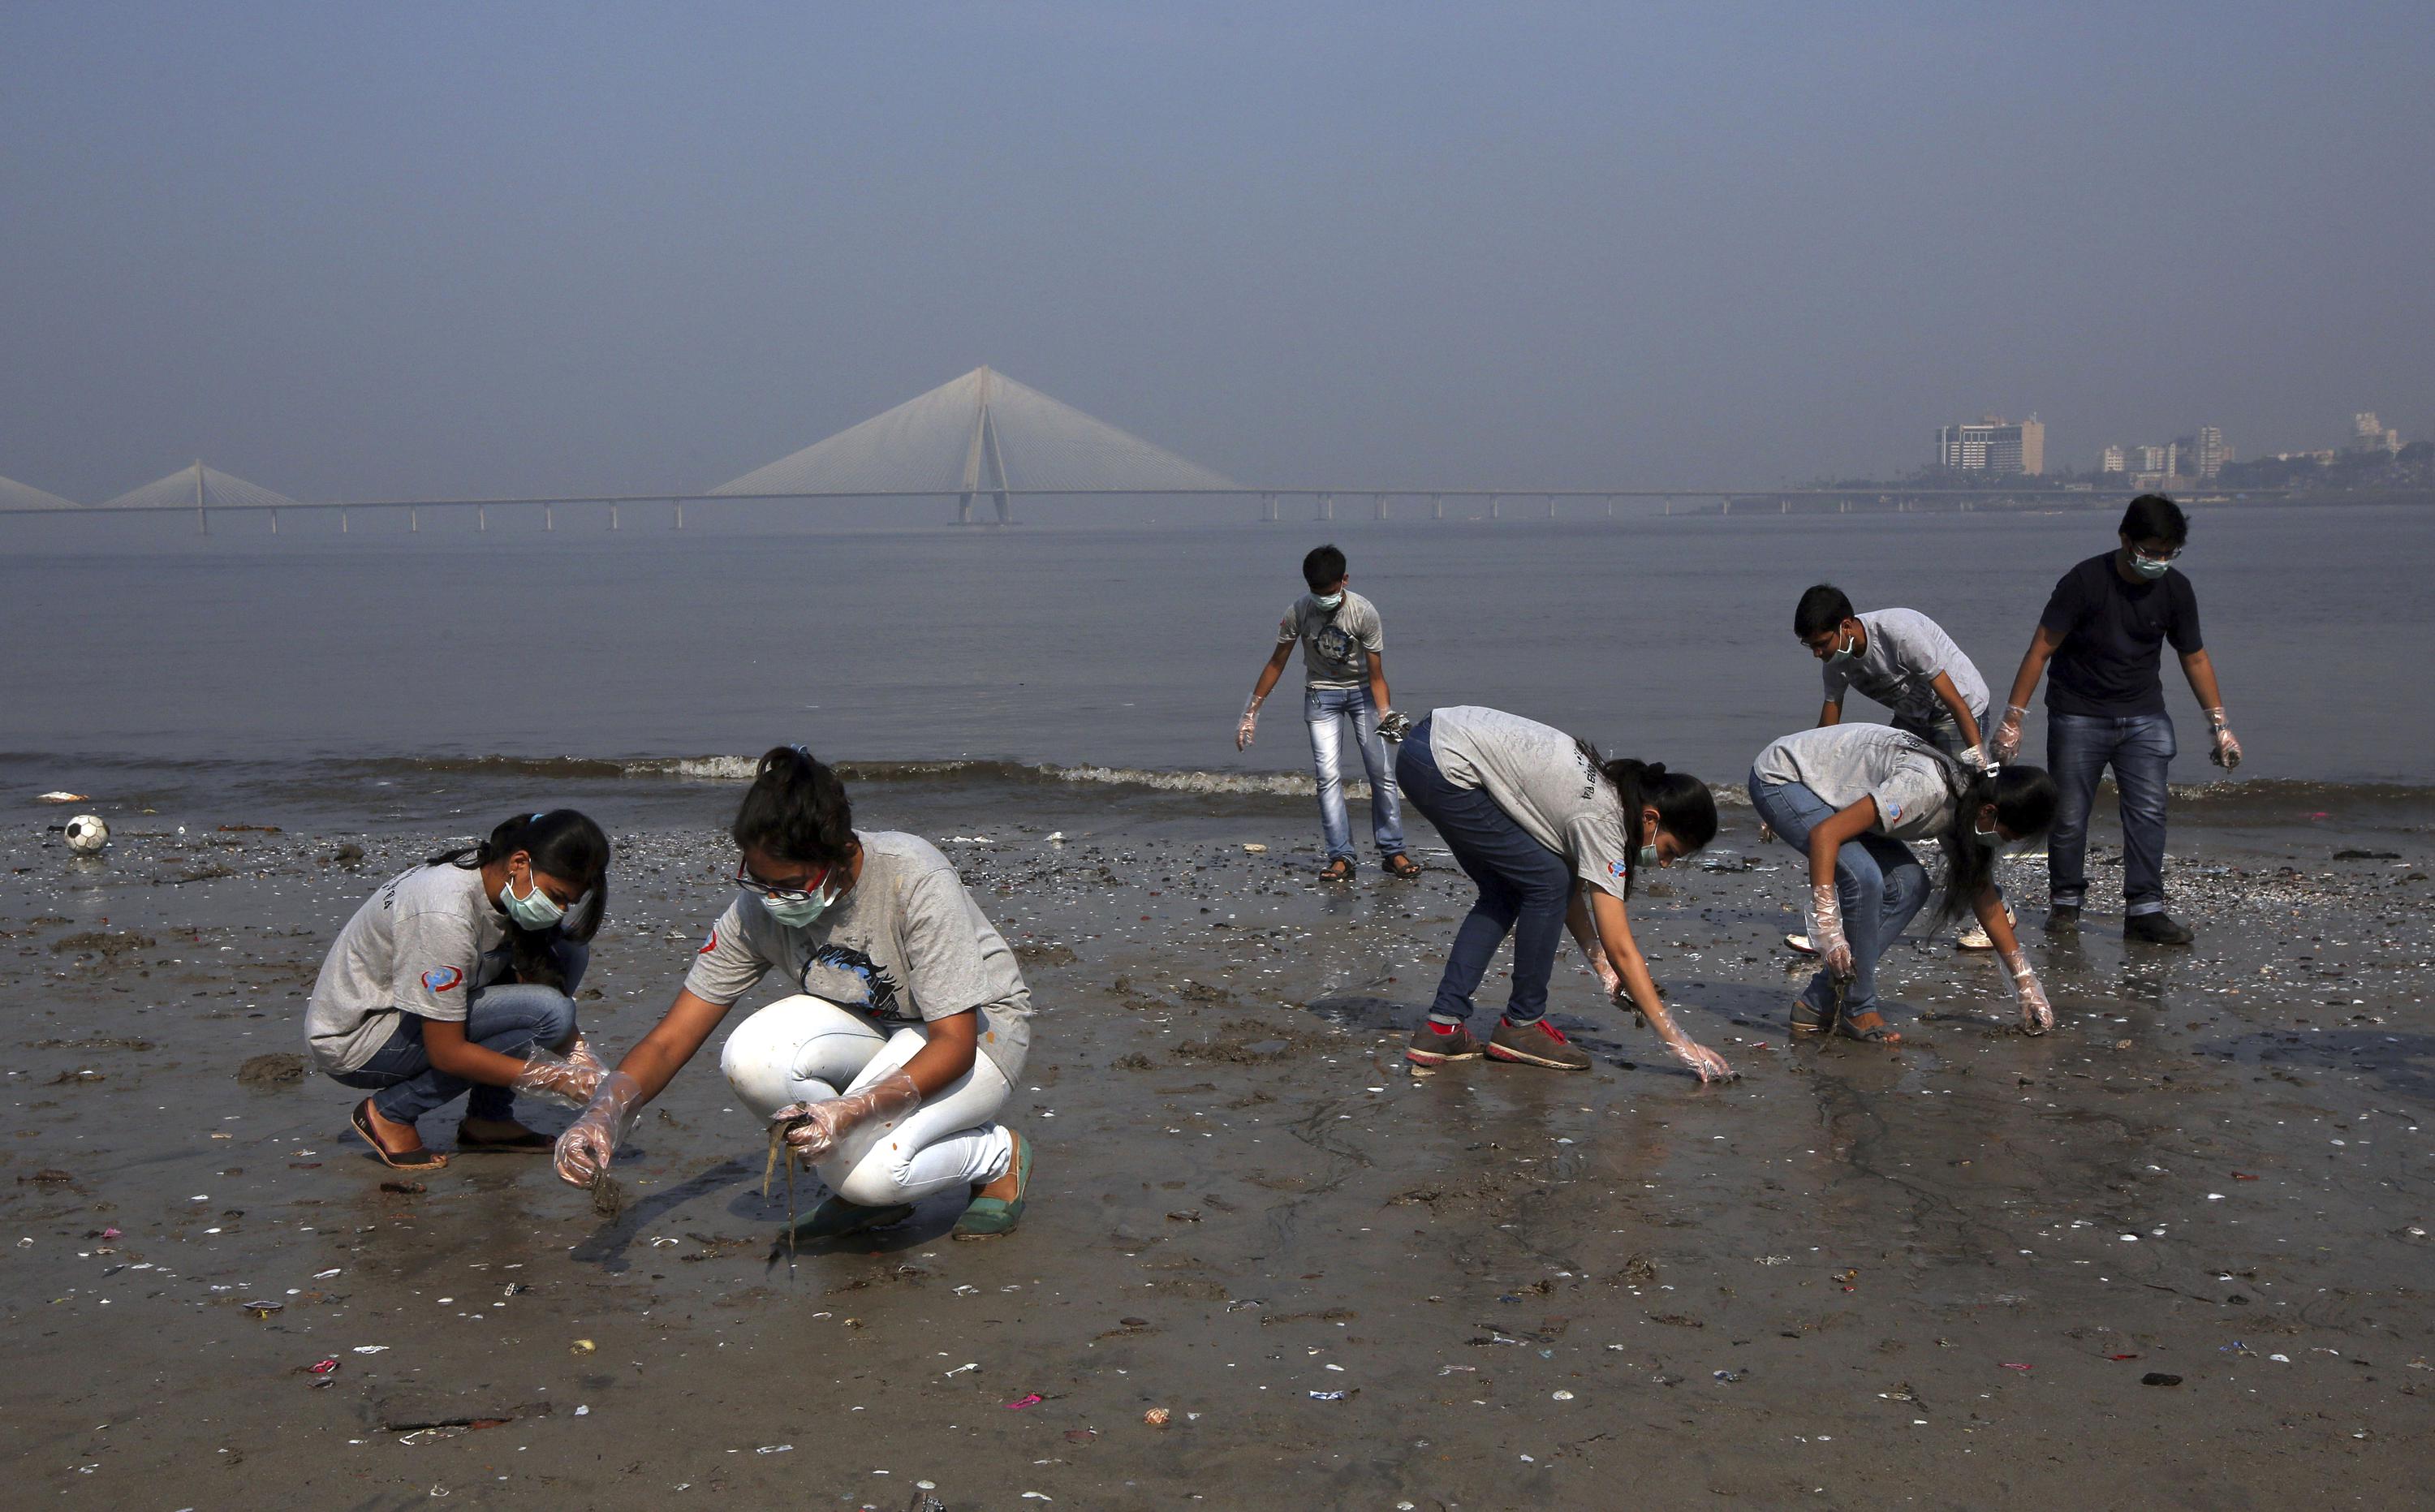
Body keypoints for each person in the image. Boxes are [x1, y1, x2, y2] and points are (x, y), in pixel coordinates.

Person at [554, 746, 1036, 1241]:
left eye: (789, 885)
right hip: (876, 1026)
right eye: (758, 880)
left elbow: (954, 1043)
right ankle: (856, 1179)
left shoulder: (911, 877)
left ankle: (997, 1157)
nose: (772, 899)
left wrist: (852, 1110)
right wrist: (604, 1114)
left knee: (872, 1176)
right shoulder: (756, 911)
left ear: (841, 854)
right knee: (751, 1058)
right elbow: (670, 1039)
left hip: (975, 1034)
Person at [1396, 704, 1733, 1080]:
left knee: (1506, 890)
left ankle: (1442, 1027)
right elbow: (1620, 945)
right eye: (1670, 851)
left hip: (1428, 751)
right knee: (1545, 881)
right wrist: (1679, 1042)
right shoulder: (1602, 820)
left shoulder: (1612, 793)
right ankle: (1522, 1025)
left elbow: (1569, 891)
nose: (1665, 864)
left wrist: (1605, 970)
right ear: (1651, 818)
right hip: (1445, 763)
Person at [1988, 495, 2242, 946]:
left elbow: (2195, 657)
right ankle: (2065, 903)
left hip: (2145, 717)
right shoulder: (2084, 582)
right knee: (2069, 815)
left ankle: (2145, 911)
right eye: (2150, 552)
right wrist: (2014, 719)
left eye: (2168, 554)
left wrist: (2220, 726)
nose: (2158, 562)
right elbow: (2041, 649)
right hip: (2077, 714)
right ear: (2126, 540)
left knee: (2148, 813)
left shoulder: (2176, 590)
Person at [310, 810, 613, 1171]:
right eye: (556, 896)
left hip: (410, 1011)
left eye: (568, 903)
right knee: (550, 1014)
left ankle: (489, 1118)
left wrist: (582, 1059)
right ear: (519, 862)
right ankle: (391, 1113)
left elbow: (538, 975)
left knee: (568, 952)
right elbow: (447, 1052)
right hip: (360, 1039)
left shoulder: (493, 875)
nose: (559, 911)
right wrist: (555, 1080)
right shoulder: (445, 913)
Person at [1748, 725, 2060, 1043]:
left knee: (1909, 886)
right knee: (1864, 878)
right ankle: (1857, 1008)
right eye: (2007, 836)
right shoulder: (1924, 790)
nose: (2002, 844)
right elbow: (1825, 834)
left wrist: (2026, 983)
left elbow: (1983, 893)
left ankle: (1818, 1003)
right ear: (1989, 812)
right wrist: (1827, 926)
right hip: (1783, 778)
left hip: (1832, 790)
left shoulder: (1970, 802)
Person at [1792, 584, 2008, 950]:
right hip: (1912, 718)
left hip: (1958, 712)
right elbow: (1829, 724)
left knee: (1957, 823)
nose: (1817, 653)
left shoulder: (1900, 634)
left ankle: (1996, 912)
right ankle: (1837, 928)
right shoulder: (1836, 663)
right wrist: (1805, 775)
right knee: (1867, 806)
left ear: (1847, 626)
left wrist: (1979, 761)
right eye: (1809, 646)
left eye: (1821, 644)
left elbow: (1954, 701)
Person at [1236, 543, 1421, 882]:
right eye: (1316, 592)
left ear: (1344, 580)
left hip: (1364, 694)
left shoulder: (1364, 612)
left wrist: (1385, 713)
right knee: (1327, 777)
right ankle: (1341, 856)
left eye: (1329, 591)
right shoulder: (1299, 611)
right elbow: (1277, 662)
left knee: (1381, 772)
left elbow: (1377, 675)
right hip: (1321, 696)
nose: (1323, 598)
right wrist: (1251, 712)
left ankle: (1393, 850)